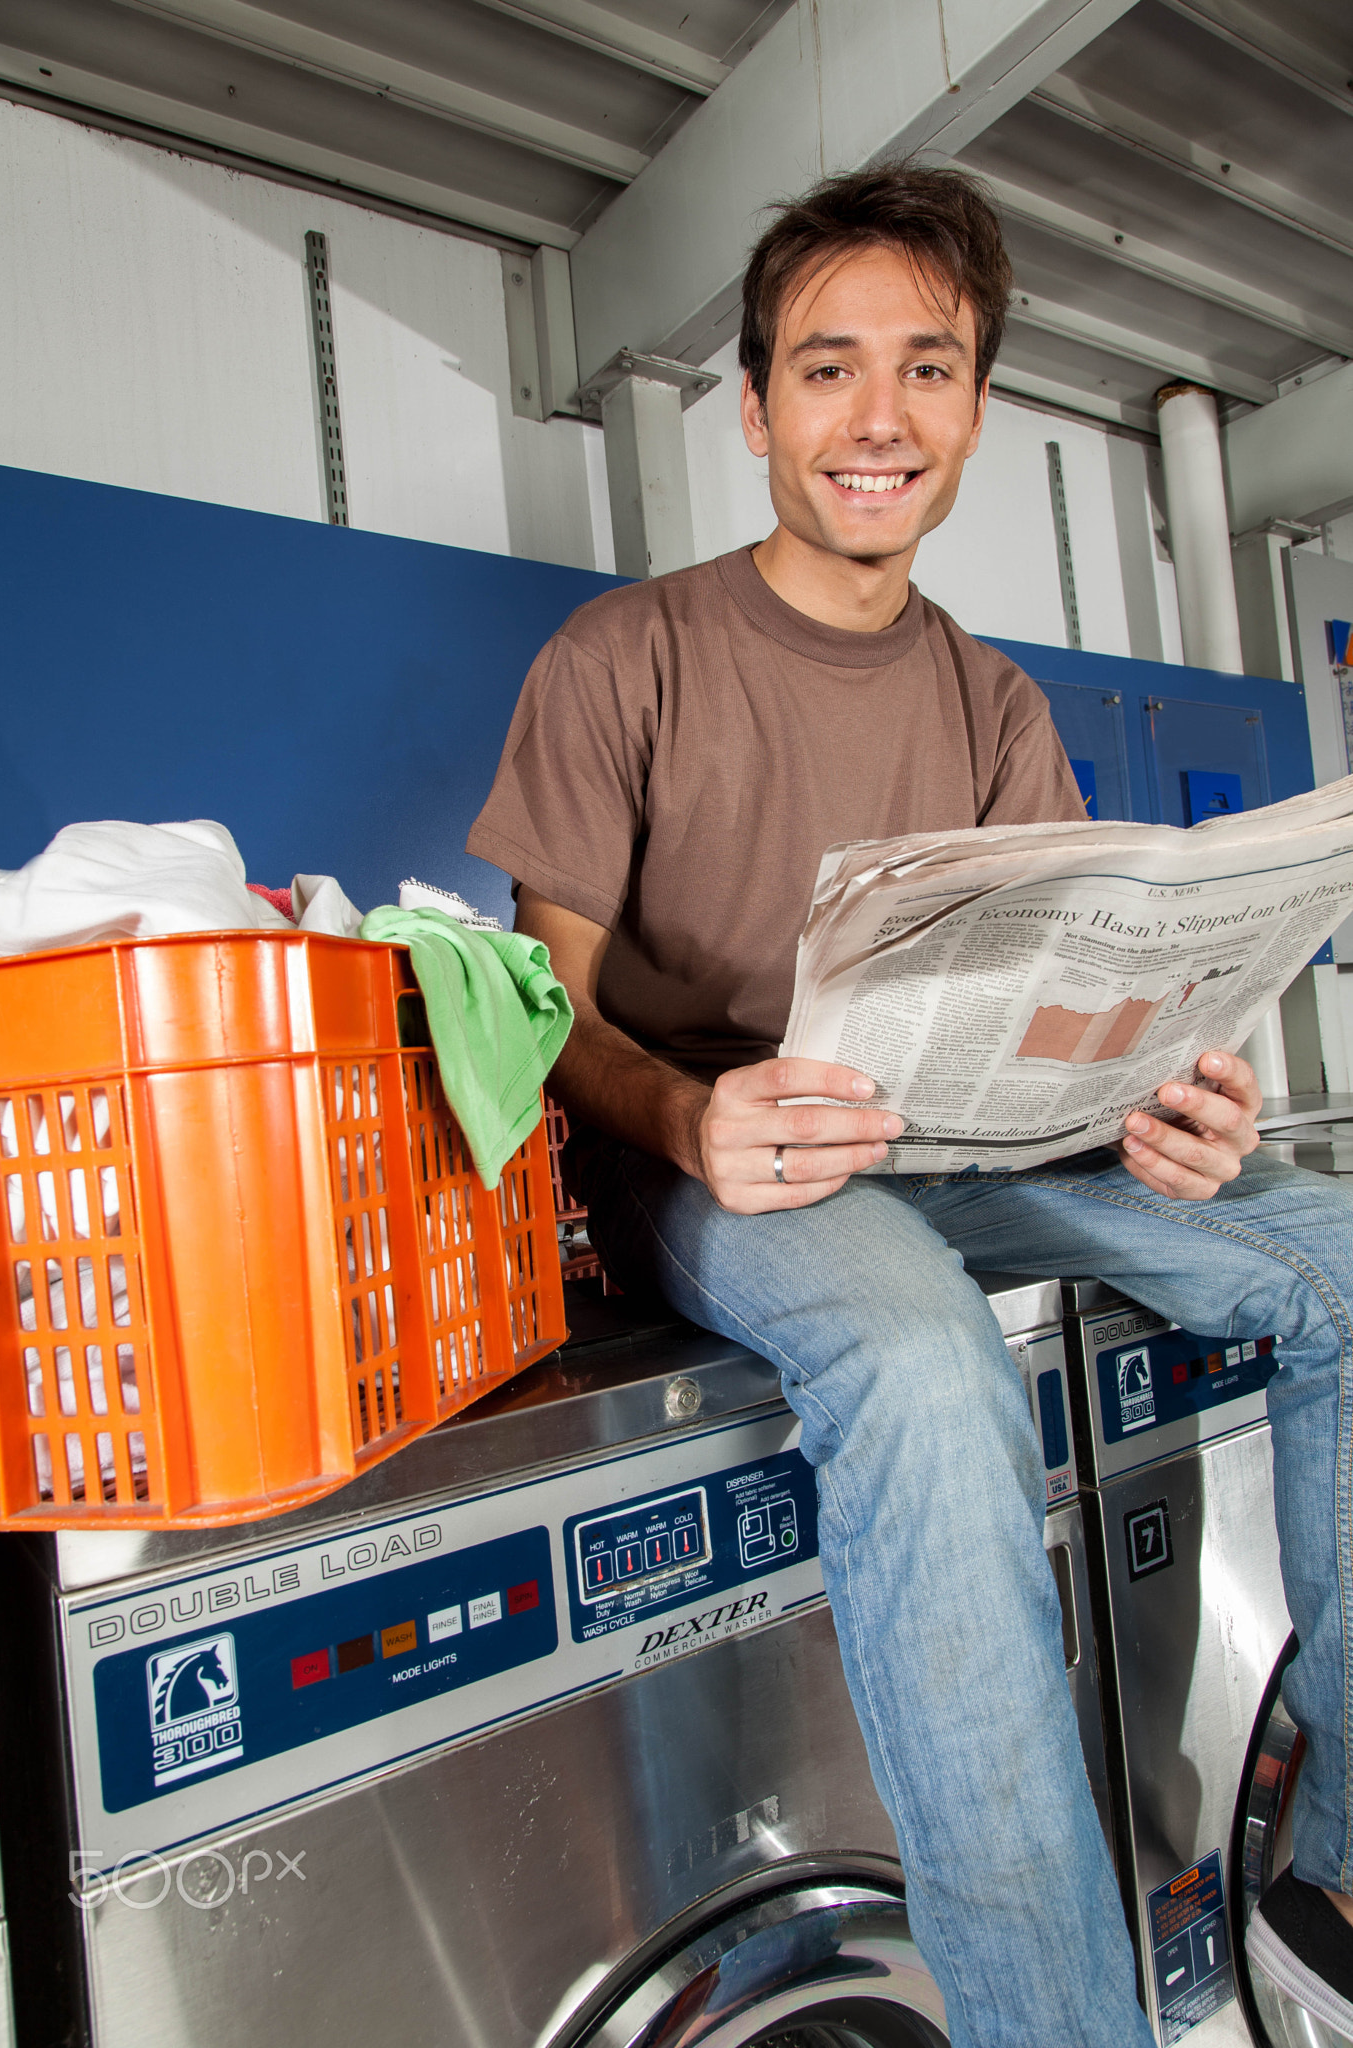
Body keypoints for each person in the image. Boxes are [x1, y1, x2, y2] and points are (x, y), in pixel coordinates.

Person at [468, 163, 1353, 2046]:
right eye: (826, 368)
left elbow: (1066, 998)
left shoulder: (993, 700)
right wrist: (689, 1124)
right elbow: (537, 1003)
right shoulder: (623, 660)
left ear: (974, 407)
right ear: (761, 408)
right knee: (930, 1369)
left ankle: (1333, 1870)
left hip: (968, 1145)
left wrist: (1168, 1096)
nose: (877, 420)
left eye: (928, 370)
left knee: (1339, 1257)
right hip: (722, 1159)